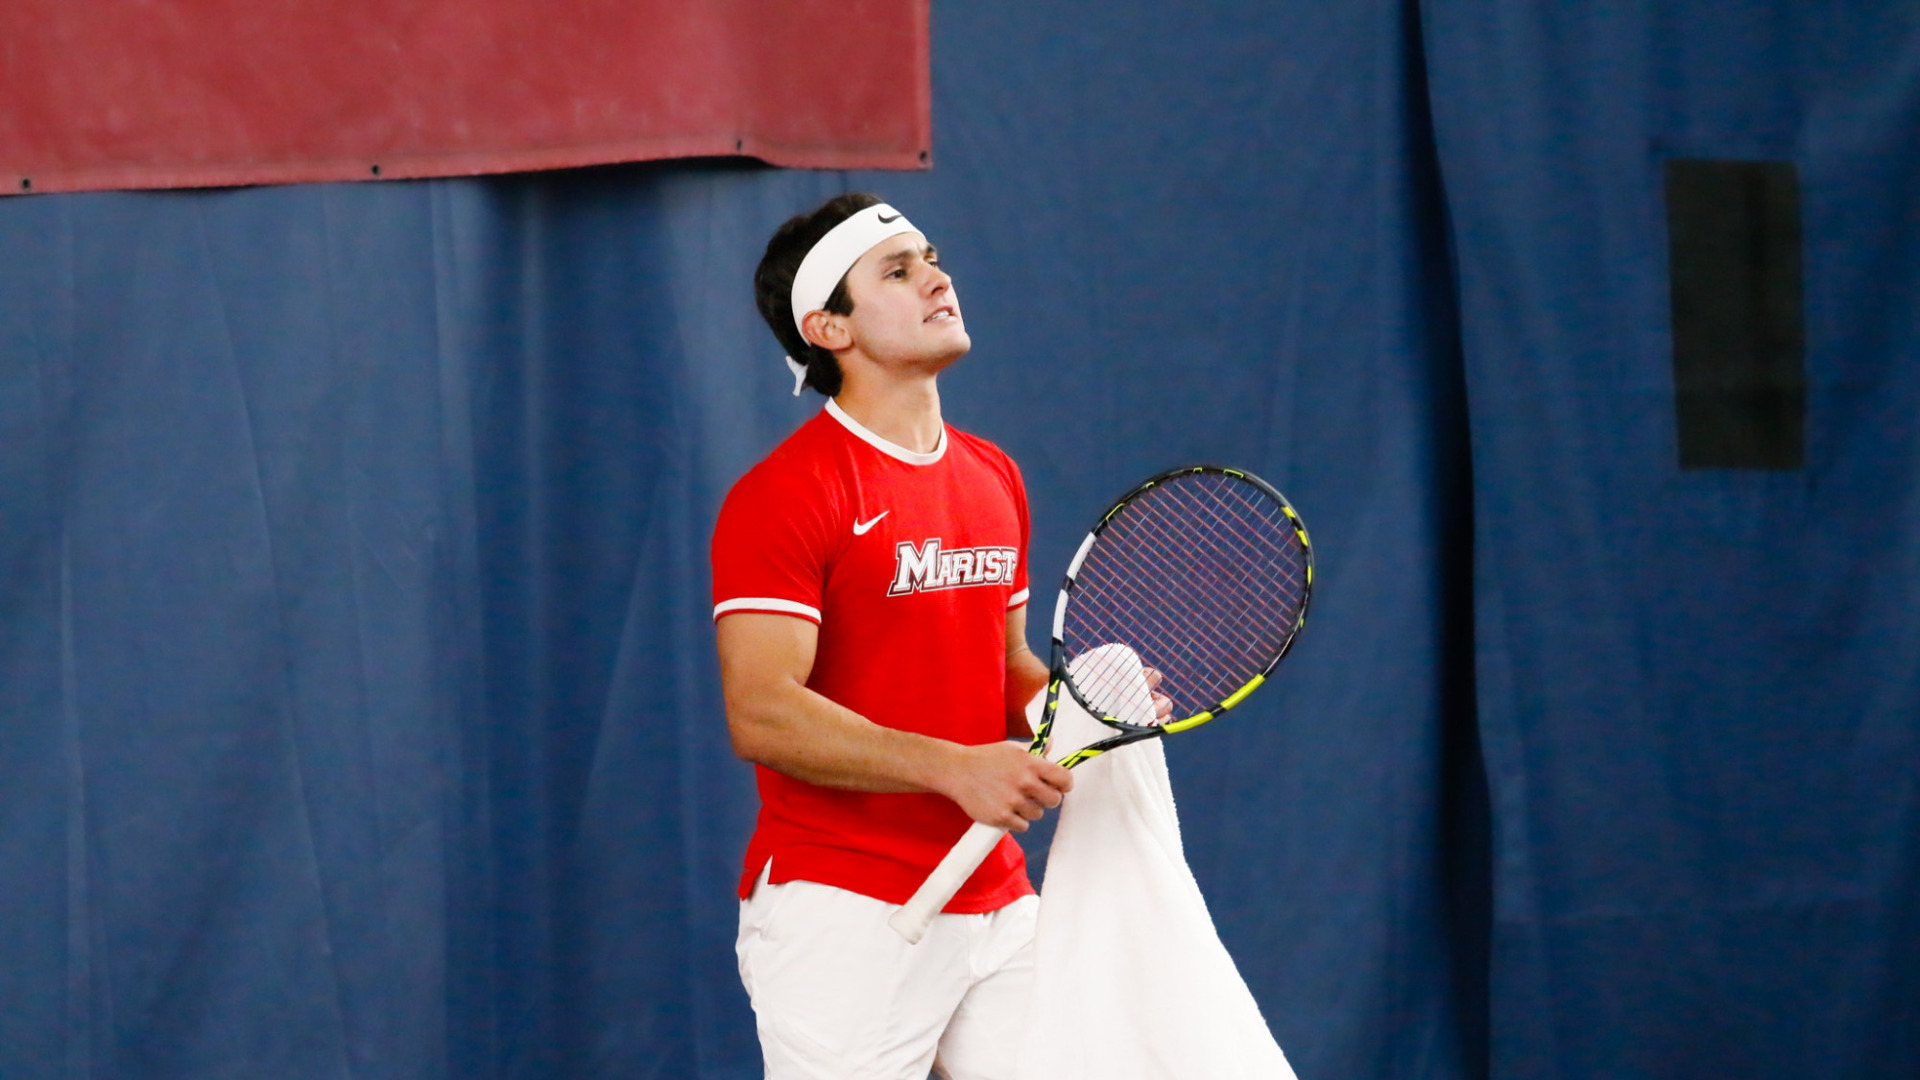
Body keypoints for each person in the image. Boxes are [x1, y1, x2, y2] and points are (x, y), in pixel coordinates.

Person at [709, 192, 1072, 1079]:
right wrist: (956, 765)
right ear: (829, 328)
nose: (937, 279)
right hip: (843, 909)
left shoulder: (994, 475)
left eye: (932, 259)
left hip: (994, 897)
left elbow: (1006, 663)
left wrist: (1082, 706)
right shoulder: (785, 495)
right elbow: (762, 714)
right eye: (898, 271)